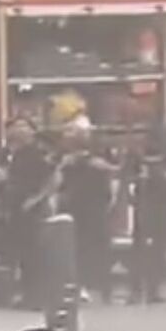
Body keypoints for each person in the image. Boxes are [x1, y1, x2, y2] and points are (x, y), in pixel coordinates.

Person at [0, 120, 59, 306]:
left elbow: (53, 178)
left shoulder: (38, 153)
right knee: (17, 254)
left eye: (23, 127)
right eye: (14, 127)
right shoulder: (8, 154)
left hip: (33, 210)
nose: (18, 130)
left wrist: (37, 199)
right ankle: (20, 293)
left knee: (34, 255)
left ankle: (35, 297)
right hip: (13, 209)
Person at [56, 118, 119, 301]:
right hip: (75, 206)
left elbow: (113, 172)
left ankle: (105, 288)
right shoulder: (64, 156)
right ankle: (80, 286)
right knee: (77, 248)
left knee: (100, 247)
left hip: (95, 205)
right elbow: (56, 175)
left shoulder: (100, 153)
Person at [125, 136, 166, 305]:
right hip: (152, 204)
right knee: (154, 249)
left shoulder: (136, 153)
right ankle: (149, 291)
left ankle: (141, 291)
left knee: (144, 249)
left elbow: (127, 178)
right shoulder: (165, 153)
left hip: (149, 205)